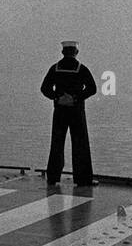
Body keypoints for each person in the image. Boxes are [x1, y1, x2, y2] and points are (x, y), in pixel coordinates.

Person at [40, 40, 97, 187]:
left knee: (57, 143)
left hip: (59, 111)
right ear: (76, 52)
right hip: (77, 111)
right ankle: (83, 178)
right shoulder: (82, 69)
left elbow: (45, 88)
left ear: (63, 52)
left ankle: (53, 177)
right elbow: (92, 88)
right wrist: (76, 98)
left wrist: (57, 97)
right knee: (80, 144)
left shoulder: (55, 68)